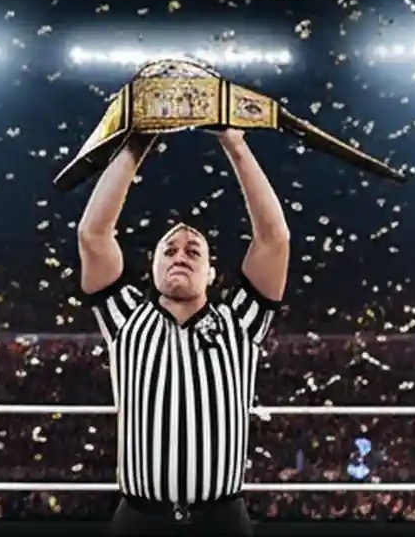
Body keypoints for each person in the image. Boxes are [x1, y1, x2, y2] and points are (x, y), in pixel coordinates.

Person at [77, 128, 290, 536]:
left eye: (194, 252)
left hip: (222, 518)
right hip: (139, 517)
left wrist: (234, 142)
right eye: (169, 251)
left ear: (211, 273)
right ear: (152, 268)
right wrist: (137, 141)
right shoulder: (125, 318)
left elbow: (274, 239)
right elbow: (93, 235)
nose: (180, 256)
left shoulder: (240, 321)